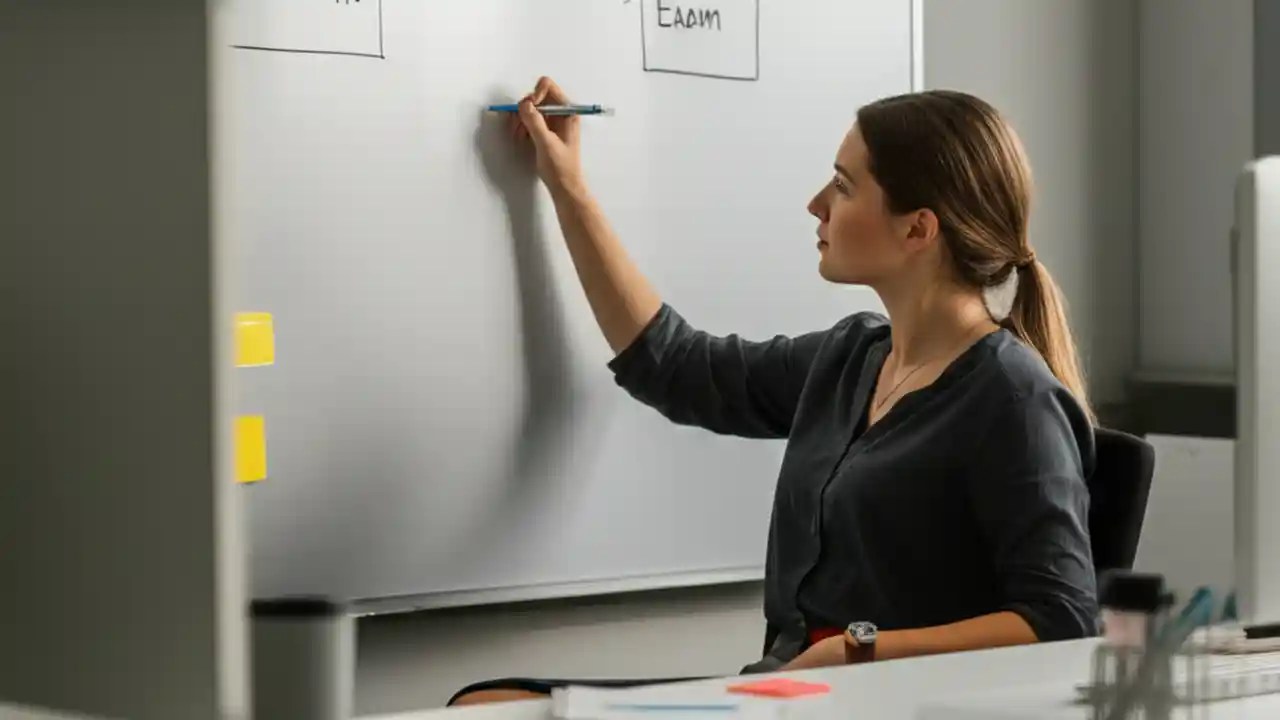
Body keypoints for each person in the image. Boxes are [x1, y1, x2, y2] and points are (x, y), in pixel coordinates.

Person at [450, 76, 1098, 705]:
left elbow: (1062, 619)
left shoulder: (1014, 399)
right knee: (487, 705)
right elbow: (674, 367)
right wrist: (566, 185)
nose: (817, 204)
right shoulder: (851, 357)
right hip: (778, 694)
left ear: (917, 229)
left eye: (843, 185)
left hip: (860, 703)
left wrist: (858, 651)